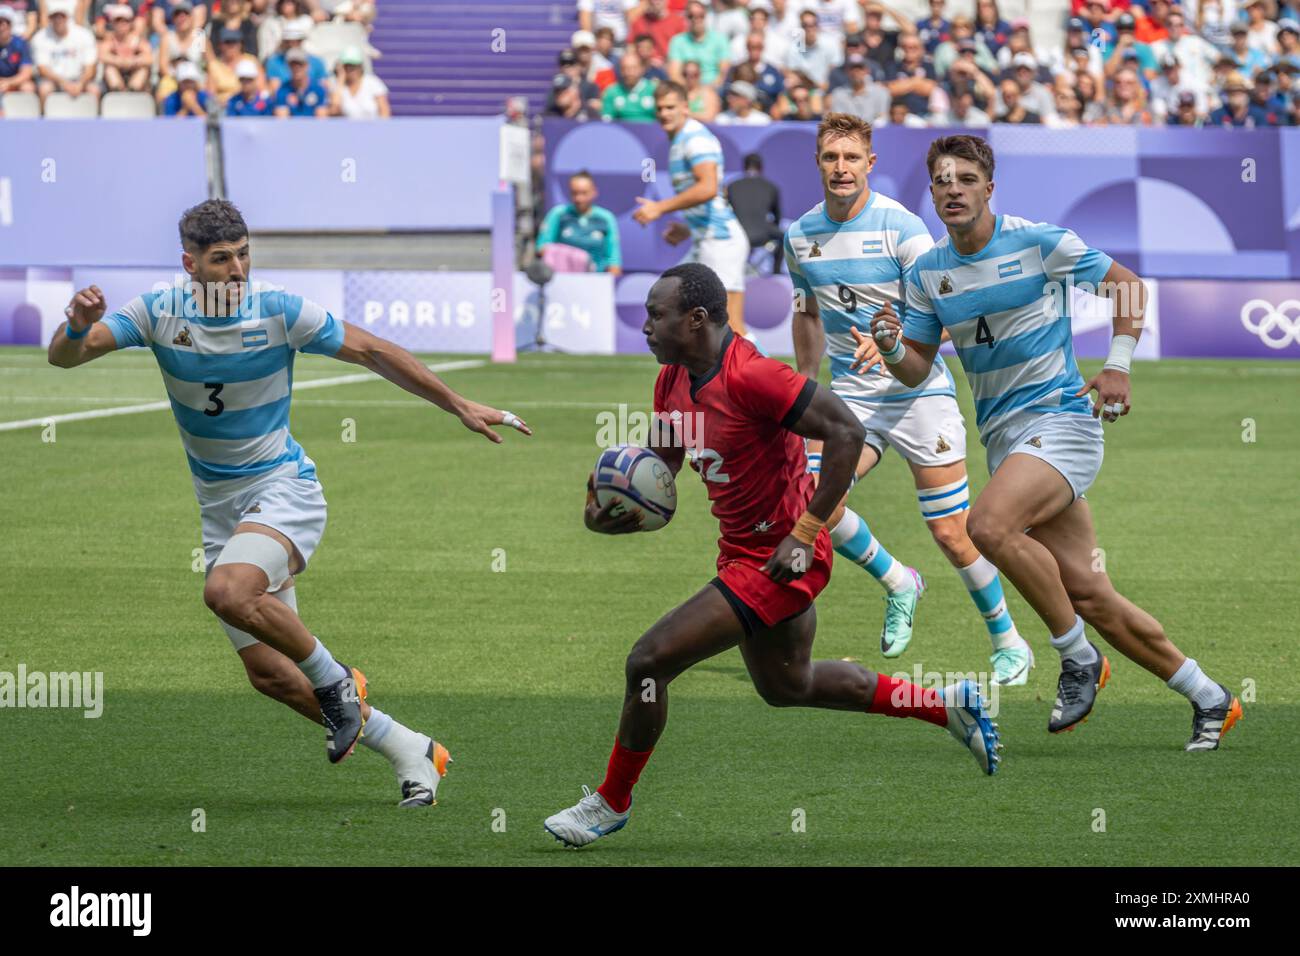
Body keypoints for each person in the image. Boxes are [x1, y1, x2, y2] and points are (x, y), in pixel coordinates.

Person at [48, 199, 531, 807]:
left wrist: (457, 402)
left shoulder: (277, 309)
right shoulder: (157, 311)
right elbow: (66, 355)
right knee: (271, 674)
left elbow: (373, 351)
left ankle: (339, 682)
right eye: (221, 259)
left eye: (244, 254)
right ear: (189, 263)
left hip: (283, 489)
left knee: (227, 592)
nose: (237, 270)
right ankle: (411, 748)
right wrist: (73, 323)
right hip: (221, 508)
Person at [541, 262, 1002, 848]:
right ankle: (944, 705)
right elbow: (664, 473)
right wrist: (616, 510)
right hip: (741, 554)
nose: (646, 328)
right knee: (789, 685)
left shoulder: (755, 377)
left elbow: (846, 431)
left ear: (697, 318)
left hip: (784, 560)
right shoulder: (673, 379)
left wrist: (806, 531)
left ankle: (609, 802)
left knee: (648, 662)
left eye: (657, 315)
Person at [872, 134, 1242, 749]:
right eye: (943, 180)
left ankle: (1077, 660)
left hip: (1063, 423)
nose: (954, 189)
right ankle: (1211, 697)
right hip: (1008, 441)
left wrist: (1118, 363)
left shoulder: (1038, 241)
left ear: (989, 188)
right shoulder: (929, 273)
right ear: (932, 192)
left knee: (986, 527)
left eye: (967, 179)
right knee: (1090, 594)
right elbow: (914, 367)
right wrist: (889, 346)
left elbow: (1128, 287)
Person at [787, 113, 1028, 676]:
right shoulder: (800, 235)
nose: (841, 168)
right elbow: (807, 309)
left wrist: (898, 343)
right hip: (851, 397)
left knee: (951, 530)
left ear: (870, 164)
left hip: (918, 392)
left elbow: (953, 307)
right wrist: (803, 380)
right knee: (812, 500)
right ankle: (899, 581)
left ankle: (1008, 641)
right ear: (818, 163)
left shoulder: (902, 229)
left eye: (851, 158)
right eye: (830, 158)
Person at [635, 81, 752, 337]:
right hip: (705, 239)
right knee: (673, 301)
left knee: (731, 330)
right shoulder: (680, 141)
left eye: (671, 107)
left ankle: (762, 376)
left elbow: (709, 187)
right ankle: (690, 374)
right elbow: (712, 198)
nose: (664, 113)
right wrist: (688, 229)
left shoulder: (694, 138)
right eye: (660, 108)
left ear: (685, 107)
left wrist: (659, 208)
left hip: (721, 242)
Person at [536, 170, 623, 274]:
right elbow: (542, 248)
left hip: (595, 280)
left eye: (584, 193)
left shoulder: (606, 218)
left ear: (594, 192)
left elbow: (614, 260)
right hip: (562, 279)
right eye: (574, 193)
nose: (579, 198)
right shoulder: (558, 214)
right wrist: (575, 257)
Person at [31, 0, 99, 106]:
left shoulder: (84, 35)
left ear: (67, 17)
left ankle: (95, 122)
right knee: (45, 88)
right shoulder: (40, 37)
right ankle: (43, 120)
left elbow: (90, 68)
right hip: (53, 80)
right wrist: (64, 83)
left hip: (78, 78)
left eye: (61, 16)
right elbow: (43, 69)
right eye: (55, 16)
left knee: (94, 89)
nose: (58, 20)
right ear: (50, 18)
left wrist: (80, 83)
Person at [726, 152, 783, 274]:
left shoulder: (732, 186)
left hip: (737, 234)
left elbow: (725, 214)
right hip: (763, 234)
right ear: (761, 168)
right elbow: (777, 217)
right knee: (784, 237)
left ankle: (728, 271)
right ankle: (776, 272)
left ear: (744, 166)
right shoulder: (771, 187)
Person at [97, 4, 150, 92]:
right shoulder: (110, 39)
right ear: (112, 23)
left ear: (131, 23)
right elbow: (102, 55)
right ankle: (118, 91)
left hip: (133, 74)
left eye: (125, 21)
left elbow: (149, 58)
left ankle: (133, 91)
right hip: (116, 77)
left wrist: (133, 61)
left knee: (143, 69)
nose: (121, 24)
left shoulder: (137, 40)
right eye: (118, 21)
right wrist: (119, 61)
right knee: (109, 69)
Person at [331, 45, 388, 118]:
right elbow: (335, 110)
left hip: (373, 128)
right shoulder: (337, 85)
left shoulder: (373, 82)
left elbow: (384, 111)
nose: (351, 70)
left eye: (354, 66)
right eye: (347, 67)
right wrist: (340, 80)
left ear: (360, 66)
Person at [601, 50, 657, 121]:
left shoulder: (654, 90)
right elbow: (606, 120)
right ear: (621, 70)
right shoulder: (612, 92)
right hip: (621, 131)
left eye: (633, 68)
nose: (629, 72)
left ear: (642, 69)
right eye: (625, 68)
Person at [0, 5, 36, 104]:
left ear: (11, 25)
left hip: (15, 81)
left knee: (28, 87)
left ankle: (26, 118)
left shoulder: (21, 43)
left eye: (6, 22)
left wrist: (9, 82)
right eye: (0, 22)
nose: (2, 26)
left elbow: (26, 73)